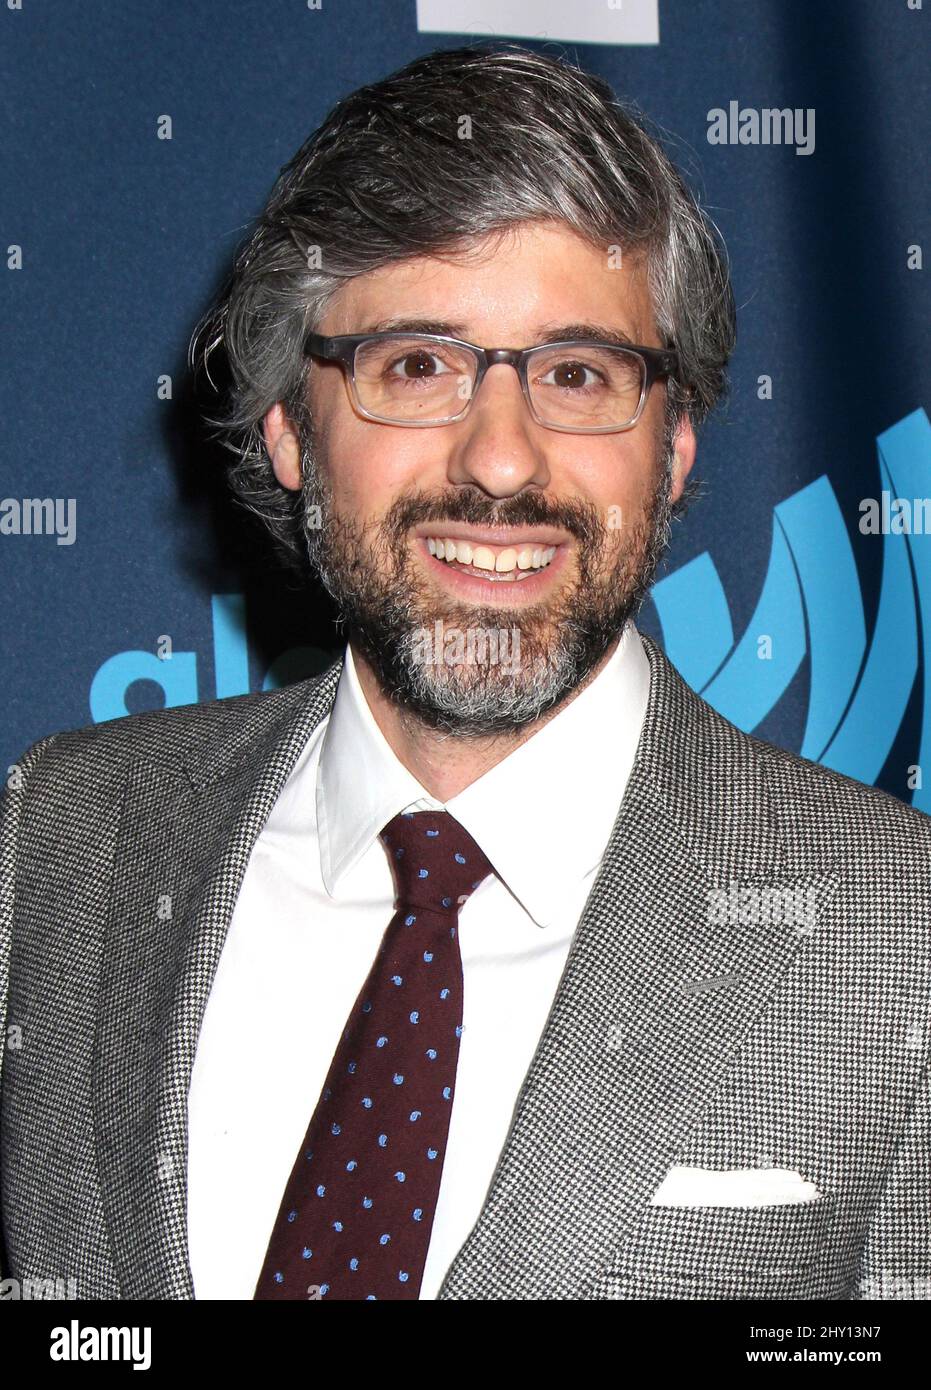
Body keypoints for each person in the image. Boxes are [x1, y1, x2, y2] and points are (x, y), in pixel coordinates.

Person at [2, 43, 930, 1303]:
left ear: (671, 449)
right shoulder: (60, 837)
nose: (501, 460)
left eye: (578, 374)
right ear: (289, 428)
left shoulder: (898, 927)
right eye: (418, 366)